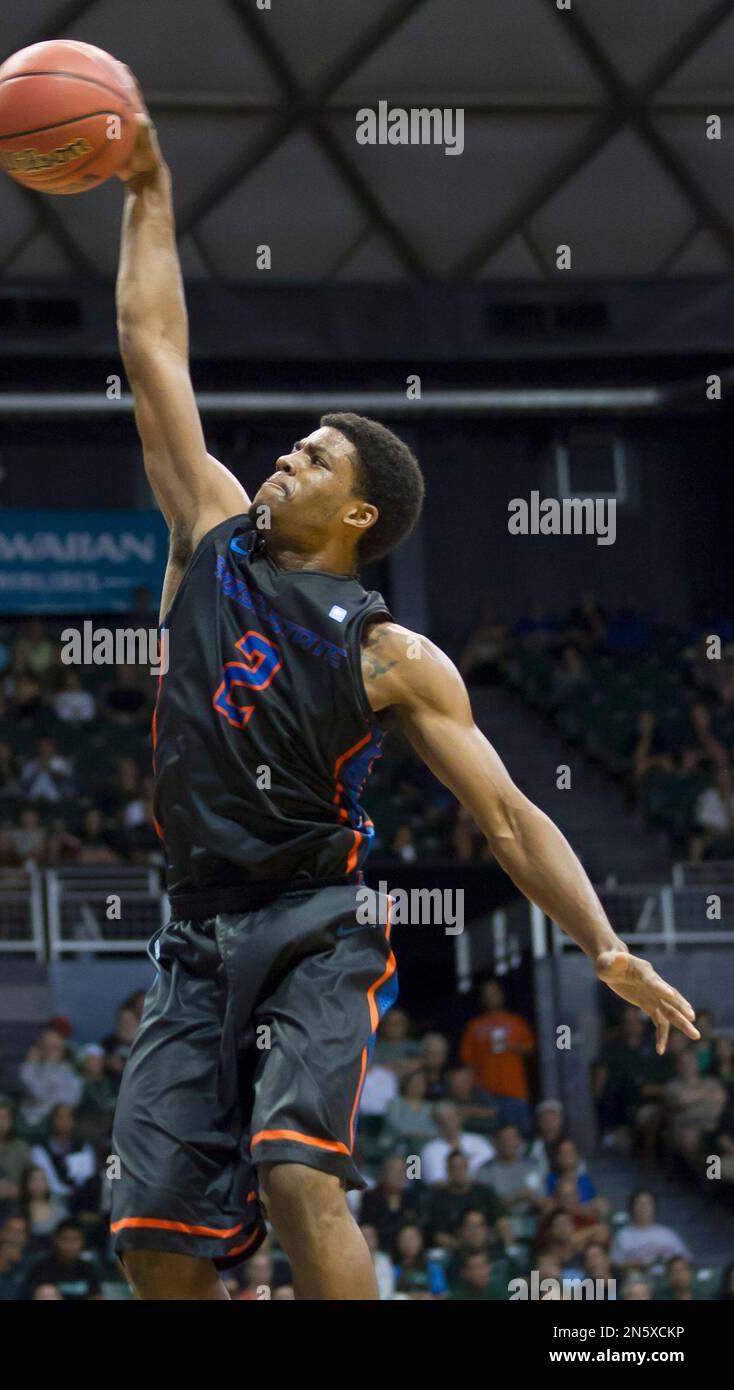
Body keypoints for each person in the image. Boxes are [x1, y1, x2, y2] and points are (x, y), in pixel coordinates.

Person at [106, 110, 698, 1303]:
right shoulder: (207, 535)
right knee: (151, 1241)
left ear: (358, 511)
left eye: (314, 456)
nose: (283, 458)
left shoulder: (390, 654)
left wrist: (604, 943)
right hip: (191, 933)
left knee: (291, 1174)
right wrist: (150, 183)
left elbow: (510, 817)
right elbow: (149, 341)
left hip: (308, 925)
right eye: (293, 445)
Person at [459, 979, 535, 1132]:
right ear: (482, 999)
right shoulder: (474, 1026)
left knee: (519, 1134)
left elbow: (530, 1048)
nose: (491, 997)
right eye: (487, 994)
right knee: (492, 1135)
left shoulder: (516, 1021)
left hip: (515, 1090)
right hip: (486, 1092)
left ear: (501, 995)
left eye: (494, 993)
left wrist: (511, 1046)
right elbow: (467, 1060)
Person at [24, 1220, 102, 1300]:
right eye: (64, 1239)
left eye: (74, 1239)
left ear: (82, 1242)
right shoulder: (42, 1268)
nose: (70, 1245)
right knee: (46, 1292)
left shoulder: (88, 1269)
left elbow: (95, 1296)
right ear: (56, 1240)